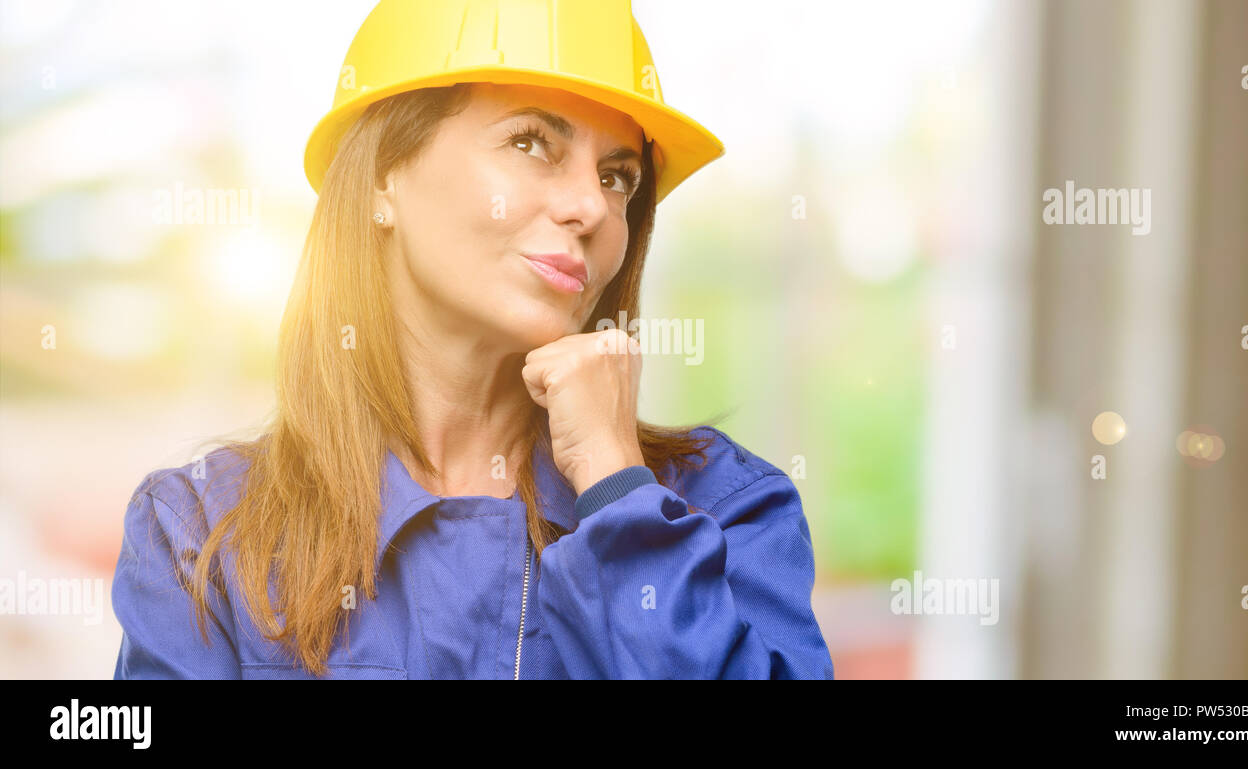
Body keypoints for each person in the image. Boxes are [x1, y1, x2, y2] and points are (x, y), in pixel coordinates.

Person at [110, 0, 834, 679]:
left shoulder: (724, 505)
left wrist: (616, 491)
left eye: (618, 177)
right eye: (531, 141)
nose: (591, 206)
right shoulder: (201, 536)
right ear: (383, 176)